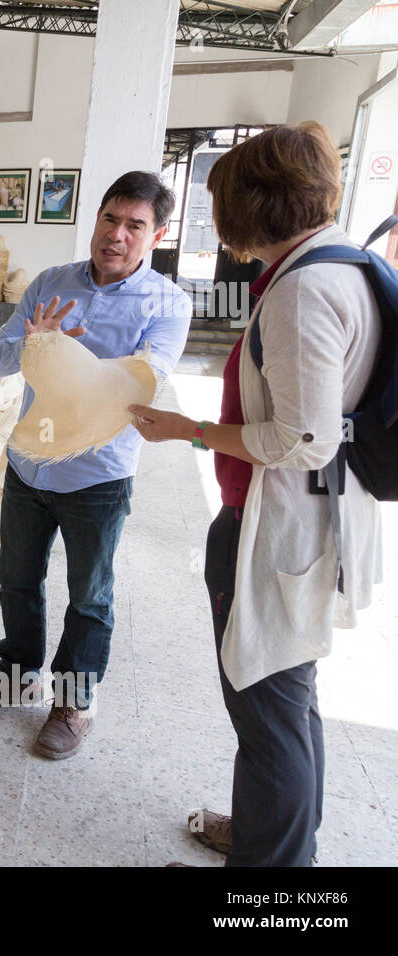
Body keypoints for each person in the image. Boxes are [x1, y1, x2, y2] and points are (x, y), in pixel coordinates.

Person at [130, 122, 382, 866]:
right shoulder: (344, 266)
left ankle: (270, 877)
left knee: (267, 706)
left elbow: (302, 439)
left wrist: (190, 429)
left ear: (253, 204)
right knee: (287, 698)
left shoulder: (303, 292)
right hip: (303, 517)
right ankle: (275, 836)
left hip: (278, 528)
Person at [0, 171, 192, 760]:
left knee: (89, 595)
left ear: (156, 235)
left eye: (135, 226)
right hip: (30, 464)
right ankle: (16, 676)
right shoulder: (50, 284)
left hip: (98, 474)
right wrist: (33, 345)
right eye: (110, 219)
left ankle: (74, 703)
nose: (117, 235)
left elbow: (142, 384)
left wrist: (70, 357)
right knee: (16, 577)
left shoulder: (167, 305)